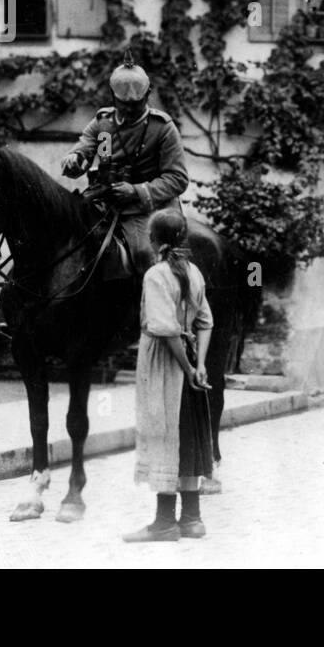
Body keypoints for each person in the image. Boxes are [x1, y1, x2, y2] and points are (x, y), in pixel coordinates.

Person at [123, 210, 215, 543]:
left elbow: (165, 330)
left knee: (164, 433)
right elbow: (205, 322)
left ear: (155, 241)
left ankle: (164, 523)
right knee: (187, 436)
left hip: (167, 365)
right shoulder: (194, 271)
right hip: (189, 364)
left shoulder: (156, 275)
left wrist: (189, 368)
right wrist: (199, 364)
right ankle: (192, 519)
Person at [62, 57, 190, 275]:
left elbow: (178, 178)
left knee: (143, 253)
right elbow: (84, 150)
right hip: (103, 202)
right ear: (113, 96)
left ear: (148, 95)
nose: (129, 110)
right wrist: (75, 159)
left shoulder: (162, 128)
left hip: (146, 209)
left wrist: (137, 191)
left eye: (136, 104)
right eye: (123, 104)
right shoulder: (103, 123)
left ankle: (147, 304)